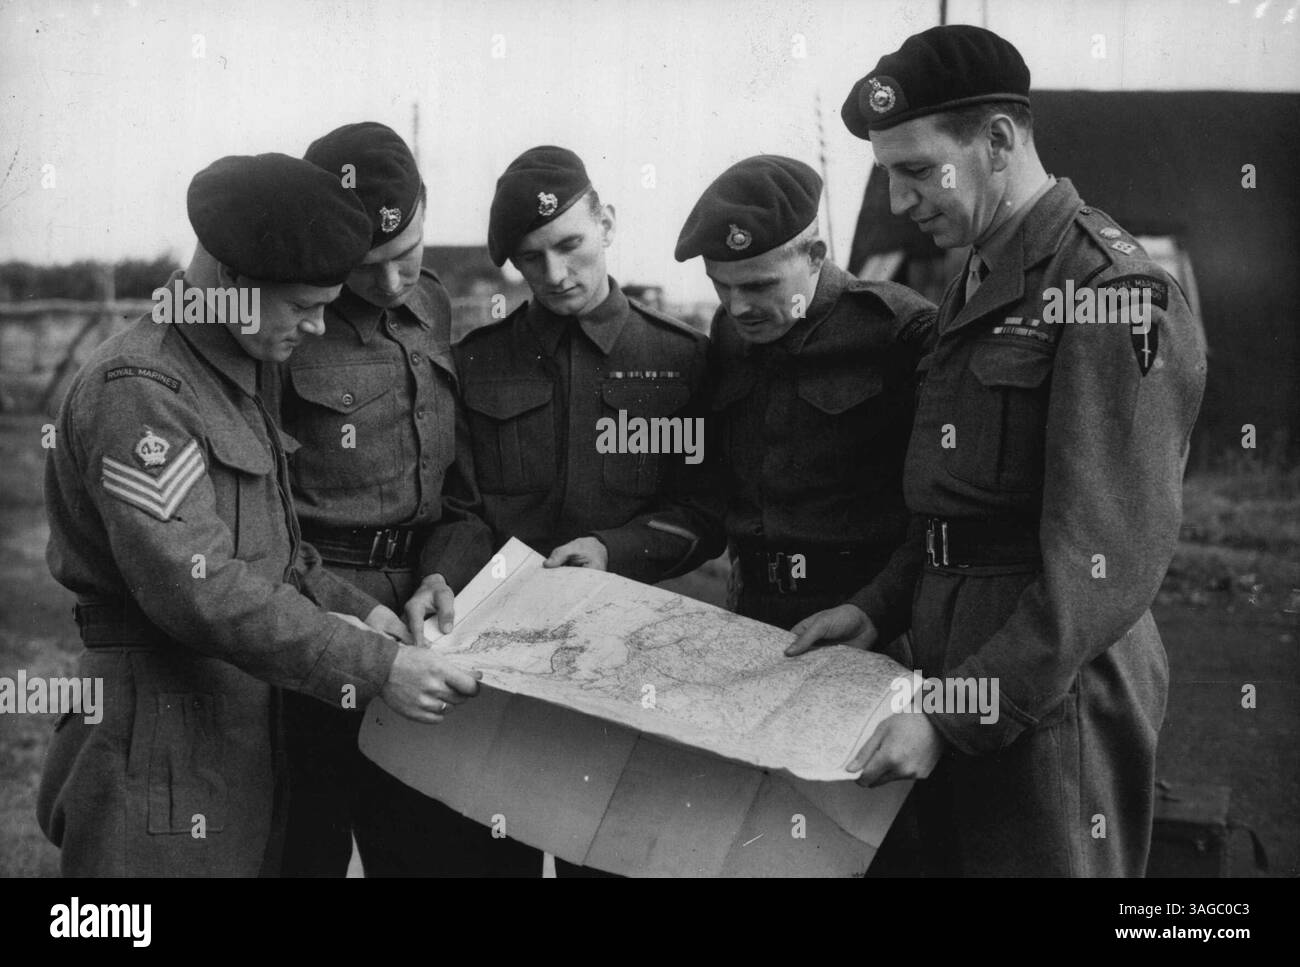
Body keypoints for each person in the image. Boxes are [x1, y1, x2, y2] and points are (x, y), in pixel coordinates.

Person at [790, 24, 1207, 875]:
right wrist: (877, 607)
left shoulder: (1108, 291)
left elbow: (1104, 565)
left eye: (917, 170)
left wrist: (953, 715)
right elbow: (951, 504)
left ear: (999, 141)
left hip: (1052, 700)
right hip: (960, 675)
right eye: (887, 175)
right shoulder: (976, 278)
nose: (902, 201)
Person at [36, 153, 480, 876]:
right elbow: (197, 588)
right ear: (235, 286)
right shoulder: (142, 389)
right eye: (304, 307)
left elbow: (280, 554)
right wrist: (377, 664)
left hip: (236, 728)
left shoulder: (233, 375)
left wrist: (362, 613)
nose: (316, 327)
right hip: (156, 741)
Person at [457, 145, 726, 874]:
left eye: (571, 244)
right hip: (496, 669)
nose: (554, 274)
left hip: (626, 665)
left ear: (607, 223)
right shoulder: (477, 361)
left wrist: (616, 548)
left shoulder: (681, 361)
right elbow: (459, 504)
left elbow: (705, 510)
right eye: (530, 258)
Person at [280, 122, 535, 876]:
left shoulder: (434, 306)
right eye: (366, 267)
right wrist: (351, 610)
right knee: (307, 848)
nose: (393, 283)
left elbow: (457, 493)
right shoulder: (287, 325)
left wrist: (442, 573)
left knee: (442, 850)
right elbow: (260, 516)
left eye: (407, 255)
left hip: (431, 623)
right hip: (317, 625)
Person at [674, 155, 935, 638]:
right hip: (753, 611)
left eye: (758, 285)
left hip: (868, 622)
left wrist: (878, 610)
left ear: (815, 255)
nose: (738, 307)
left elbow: (939, 511)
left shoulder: (897, 330)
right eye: (721, 286)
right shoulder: (729, 334)